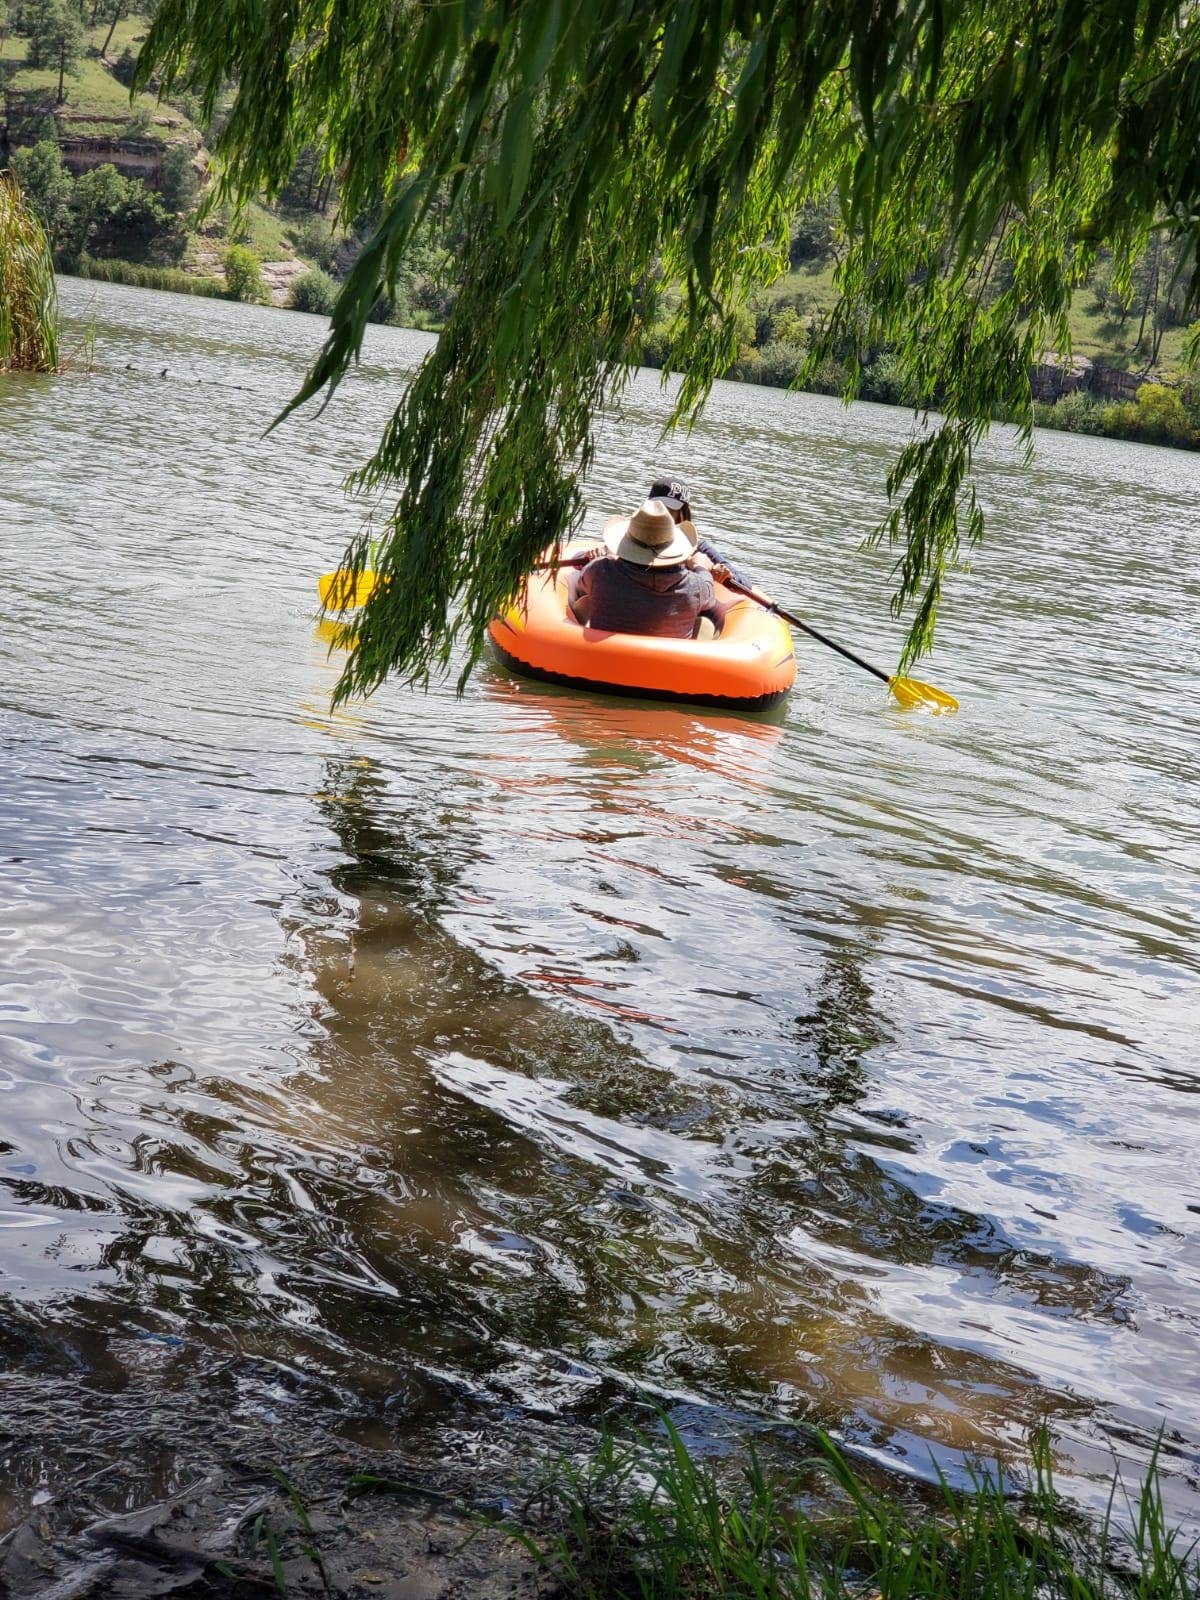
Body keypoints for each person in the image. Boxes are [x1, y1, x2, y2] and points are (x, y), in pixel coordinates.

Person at [568, 499, 729, 639]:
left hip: (602, 661)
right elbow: (709, 591)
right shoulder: (697, 586)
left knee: (585, 599)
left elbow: (582, 581)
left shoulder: (601, 570)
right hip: (664, 668)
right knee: (706, 624)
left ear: (628, 545)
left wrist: (605, 559)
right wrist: (700, 566)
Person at [645, 476, 752, 588]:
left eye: (670, 509)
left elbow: (744, 582)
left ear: (683, 514)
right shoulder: (630, 538)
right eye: (658, 506)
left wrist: (715, 570)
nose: (662, 513)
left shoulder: (696, 548)